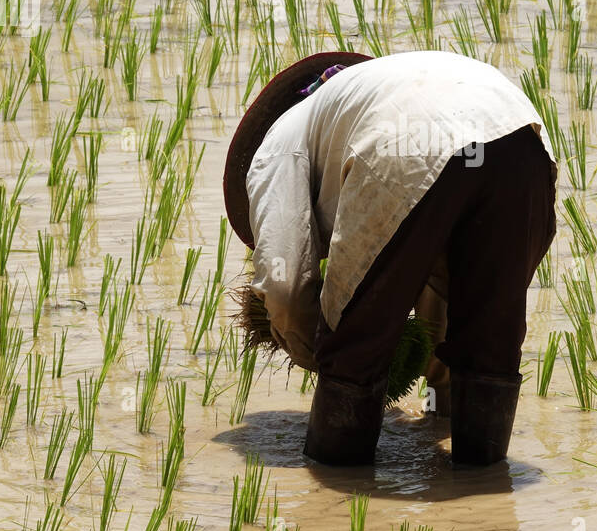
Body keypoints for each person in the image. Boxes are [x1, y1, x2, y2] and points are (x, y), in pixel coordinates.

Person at [223, 49, 557, 466]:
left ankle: (338, 493)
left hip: (407, 146)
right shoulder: (384, 89)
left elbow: (285, 282)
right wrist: (438, 398)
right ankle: (483, 495)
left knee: (355, 348)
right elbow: (441, 282)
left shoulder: (280, 141)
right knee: (491, 341)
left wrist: (324, 353)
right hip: (521, 142)